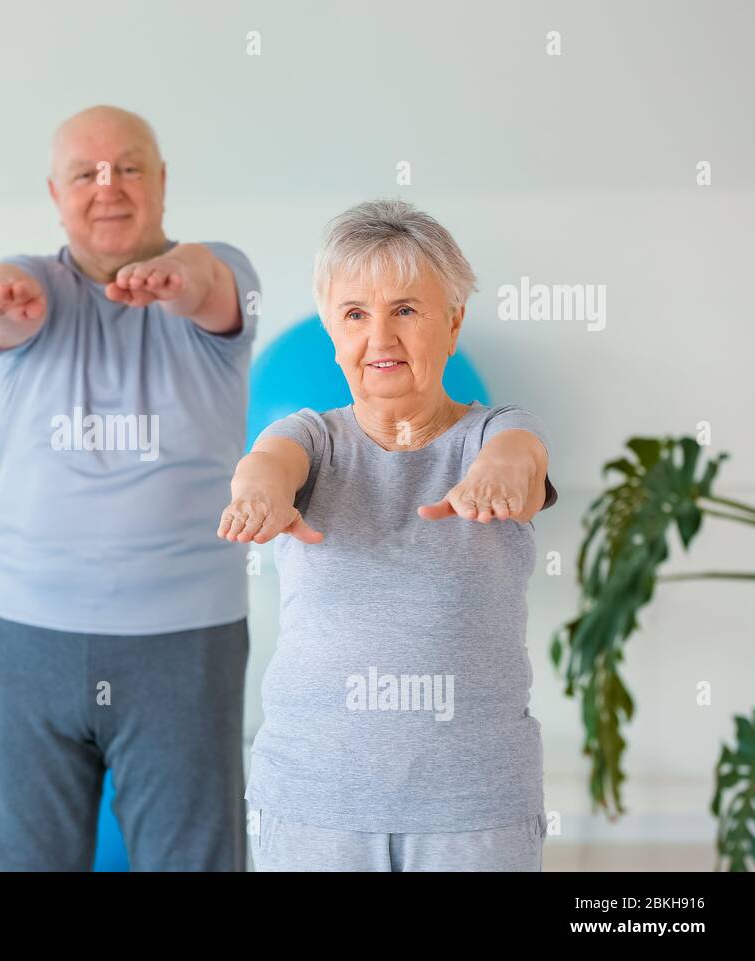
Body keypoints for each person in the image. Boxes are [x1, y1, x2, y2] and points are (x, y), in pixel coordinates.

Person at [220, 199, 556, 871]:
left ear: (453, 321)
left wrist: (498, 477)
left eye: (406, 309)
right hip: (314, 805)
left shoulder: (495, 432)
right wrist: (258, 489)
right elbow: (267, 462)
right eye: (355, 314)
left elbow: (520, 458)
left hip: (475, 808)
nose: (380, 337)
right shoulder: (310, 435)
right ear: (332, 331)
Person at [0, 105, 261, 870]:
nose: (109, 186)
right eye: (85, 172)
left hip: (183, 635)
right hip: (29, 631)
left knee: (192, 858)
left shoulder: (220, 269)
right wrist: (3, 297)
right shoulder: (32, 283)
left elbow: (209, 282)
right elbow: (7, 310)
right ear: (55, 193)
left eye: (129, 167)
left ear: (162, 181)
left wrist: (177, 278)